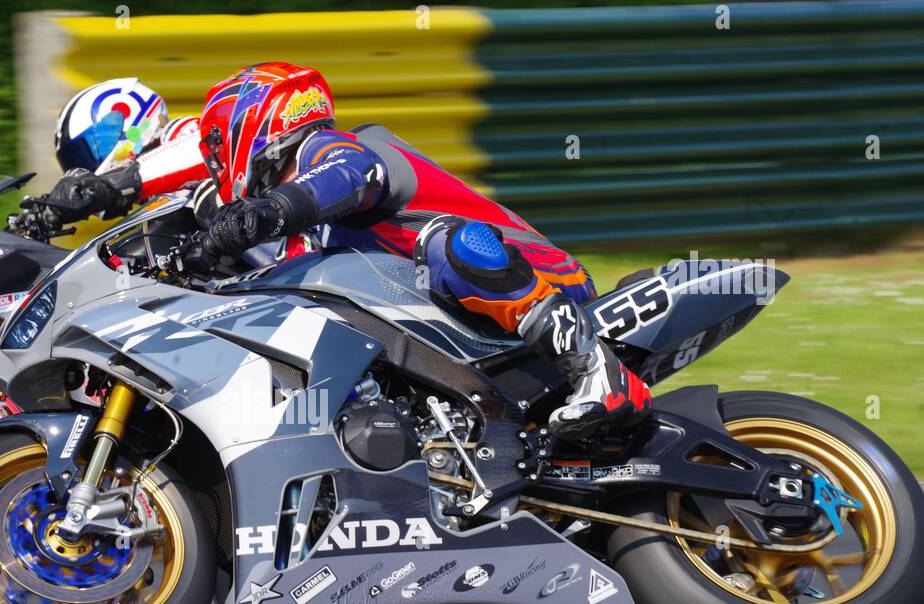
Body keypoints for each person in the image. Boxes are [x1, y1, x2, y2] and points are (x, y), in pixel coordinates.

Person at [191, 62, 652, 441]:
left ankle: (599, 372)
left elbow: (351, 176)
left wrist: (266, 212)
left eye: (215, 144)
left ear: (250, 121)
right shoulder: (306, 226)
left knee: (450, 243)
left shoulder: (336, 151)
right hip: (458, 321)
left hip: (543, 277)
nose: (214, 162)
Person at [38, 78, 209, 226]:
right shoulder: (146, 203)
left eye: (90, 149)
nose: (85, 170)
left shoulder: (181, 132)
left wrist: (112, 183)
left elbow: (206, 148)